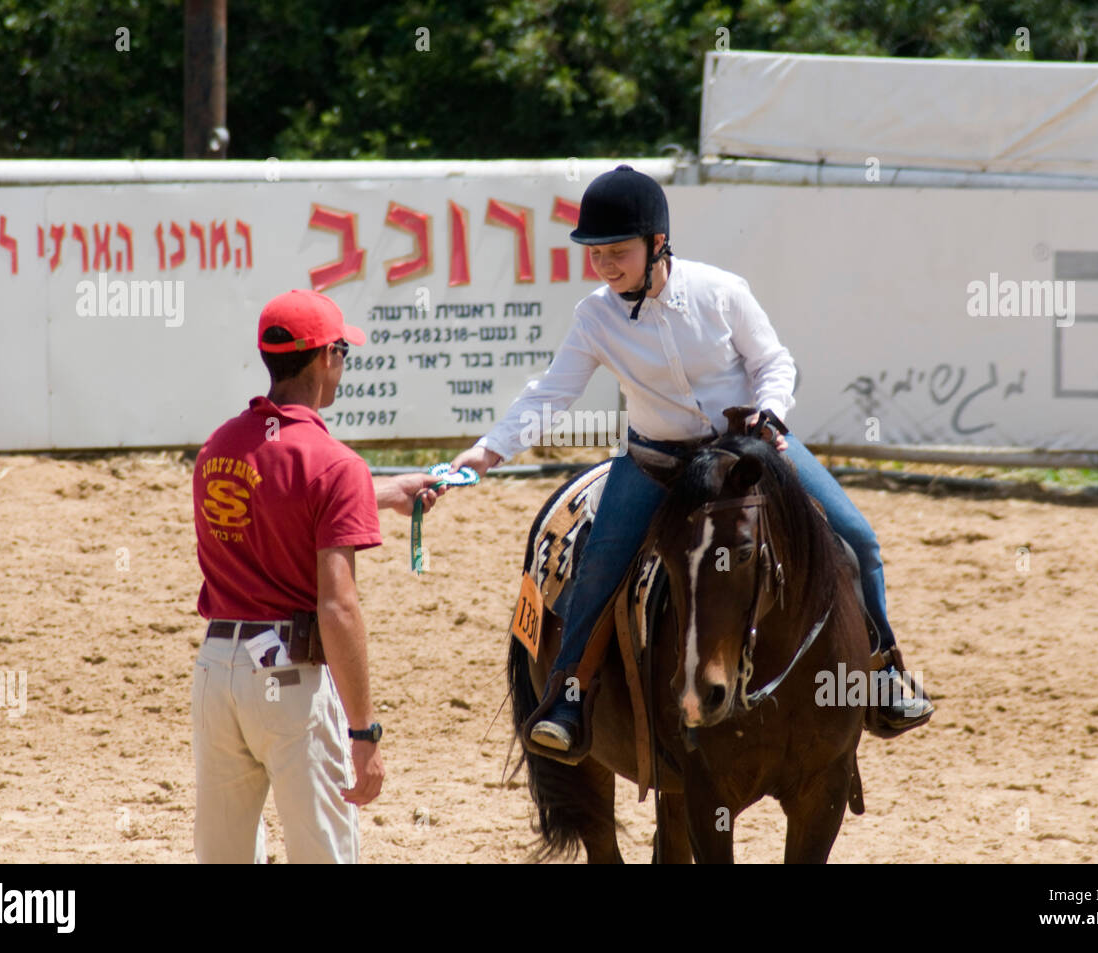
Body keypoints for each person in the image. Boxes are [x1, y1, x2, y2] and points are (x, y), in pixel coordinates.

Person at [450, 164, 933, 754]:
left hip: (750, 452)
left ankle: (881, 669)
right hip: (656, 464)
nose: (604, 266)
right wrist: (488, 450)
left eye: (617, 252)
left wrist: (772, 413)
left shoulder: (722, 292)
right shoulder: (594, 316)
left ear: (658, 244)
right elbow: (553, 393)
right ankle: (570, 694)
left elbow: (773, 363)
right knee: (600, 564)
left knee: (857, 537)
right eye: (595, 253)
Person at [191, 288, 445, 863]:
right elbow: (338, 608)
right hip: (289, 678)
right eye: (342, 353)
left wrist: (380, 494)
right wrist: (364, 733)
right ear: (326, 356)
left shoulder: (217, 448)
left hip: (216, 671)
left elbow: (274, 502)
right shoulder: (336, 464)